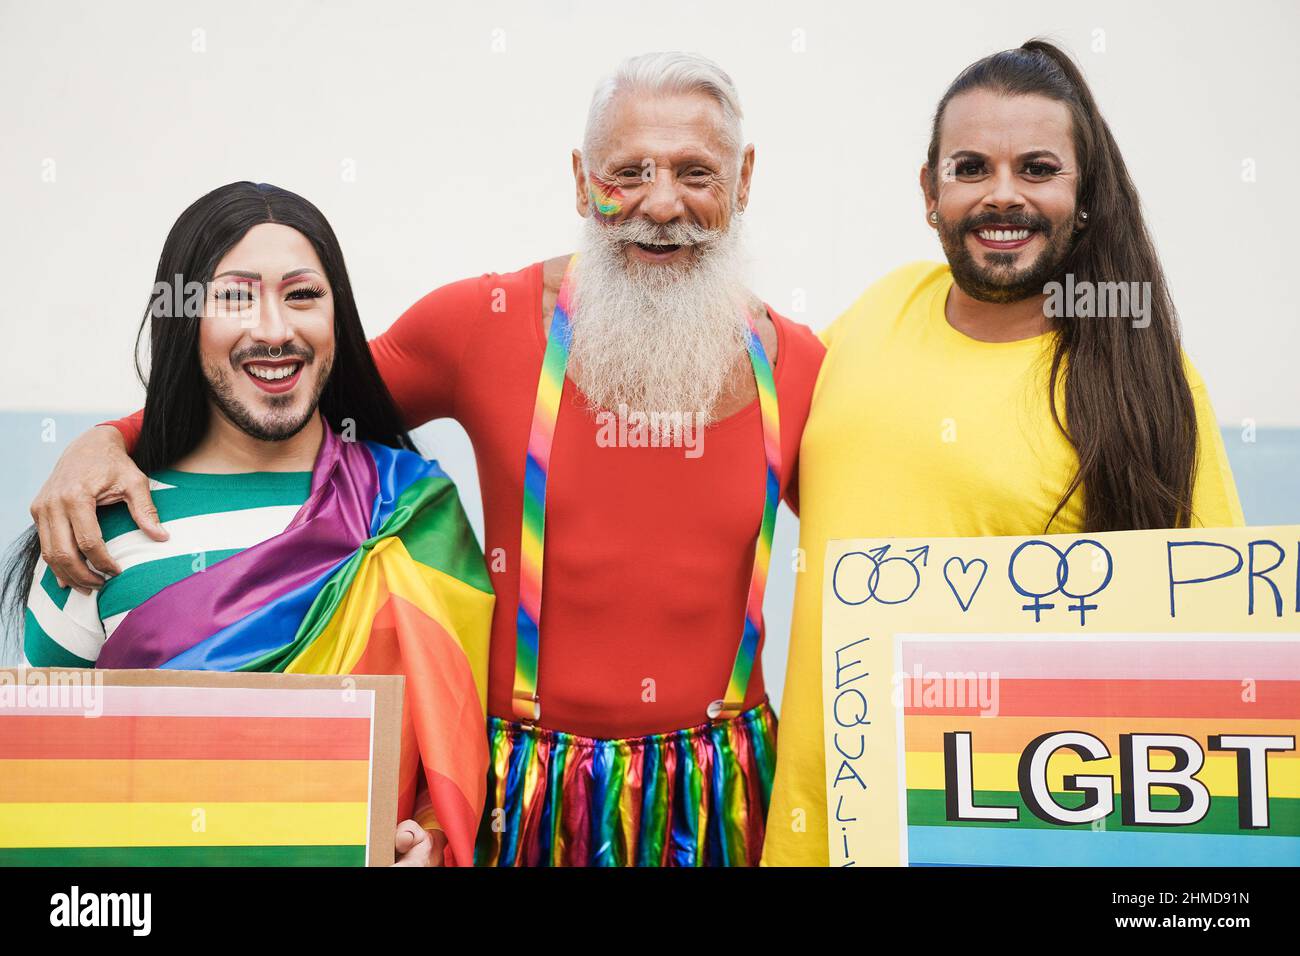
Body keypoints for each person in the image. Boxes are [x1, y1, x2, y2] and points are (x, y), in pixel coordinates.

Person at [26, 53, 826, 866]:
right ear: (583, 182)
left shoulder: (800, 369)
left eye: (698, 172)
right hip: (519, 802)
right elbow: (298, 377)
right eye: (629, 172)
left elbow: (879, 540)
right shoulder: (481, 324)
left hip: (726, 799)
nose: (662, 203)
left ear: (745, 180)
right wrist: (108, 438)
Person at [762, 39, 1244, 866]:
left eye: (1038, 168)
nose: (1003, 195)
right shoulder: (879, 311)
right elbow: (787, 477)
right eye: (972, 167)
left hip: (1006, 840)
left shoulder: (1147, 385)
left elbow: (1217, 650)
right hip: (818, 830)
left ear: (1083, 195)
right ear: (930, 191)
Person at [3, 182, 495, 867]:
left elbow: (467, 741)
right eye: (235, 296)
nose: (274, 330)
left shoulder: (411, 511)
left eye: (302, 295)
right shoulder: (98, 530)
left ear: (337, 320)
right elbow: (42, 796)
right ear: (183, 318)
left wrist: (430, 841)